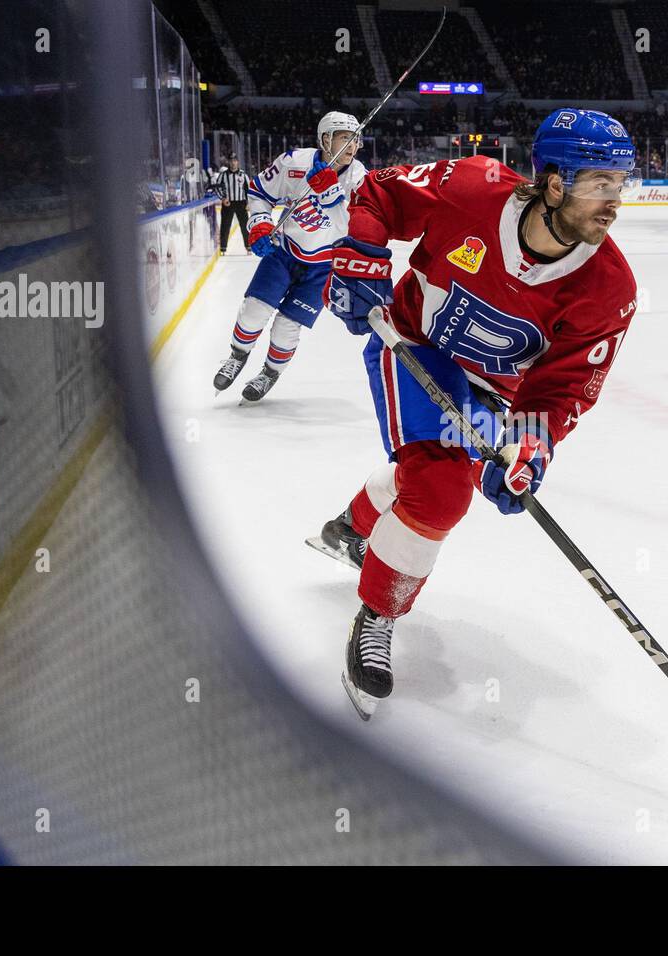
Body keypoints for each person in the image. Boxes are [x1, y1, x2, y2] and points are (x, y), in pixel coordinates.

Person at [313, 108, 640, 719]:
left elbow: (562, 389)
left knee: (443, 478)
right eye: (599, 183)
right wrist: (359, 254)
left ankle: (354, 527)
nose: (613, 200)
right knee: (439, 494)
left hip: (494, 391)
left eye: (620, 183)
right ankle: (377, 614)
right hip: (412, 343)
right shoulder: (469, 189)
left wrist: (530, 448)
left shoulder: (608, 289)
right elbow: (378, 194)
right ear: (553, 181)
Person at [212, 111, 366, 402]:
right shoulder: (293, 162)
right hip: (285, 252)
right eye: (345, 139)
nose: (352, 147)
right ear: (325, 139)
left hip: (323, 266)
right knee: (254, 310)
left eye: (355, 140)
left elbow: (357, 228)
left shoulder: (360, 178)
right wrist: (259, 223)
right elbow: (259, 191)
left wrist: (334, 198)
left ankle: (269, 372)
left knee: (286, 327)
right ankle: (237, 355)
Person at [212, 156, 250, 254]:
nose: (233, 163)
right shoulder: (223, 175)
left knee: (245, 226)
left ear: (238, 162)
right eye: (231, 161)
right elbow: (217, 187)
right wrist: (223, 198)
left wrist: (249, 203)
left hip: (241, 203)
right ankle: (223, 248)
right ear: (229, 162)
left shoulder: (243, 175)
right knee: (225, 226)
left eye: (235, 161)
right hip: (228, 203)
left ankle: (248, 246)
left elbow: (249, 190)